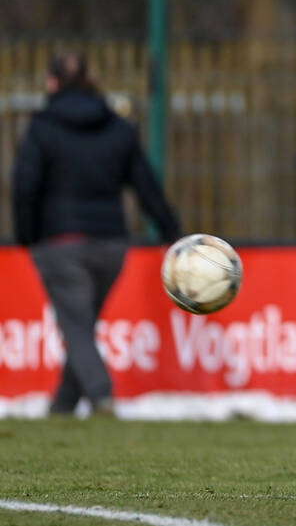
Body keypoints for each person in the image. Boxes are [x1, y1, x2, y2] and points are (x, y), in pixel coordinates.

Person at [13, 53, 181, 417]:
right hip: (111, 244)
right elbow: (146, 185)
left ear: (52, 82)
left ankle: (101, 395)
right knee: (82, 325)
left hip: (59, 243)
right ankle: (63, 404)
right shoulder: (119, 128)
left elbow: (24, 186)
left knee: (75, 325)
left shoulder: (42, 127)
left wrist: (27, 236)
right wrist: (171, 231)